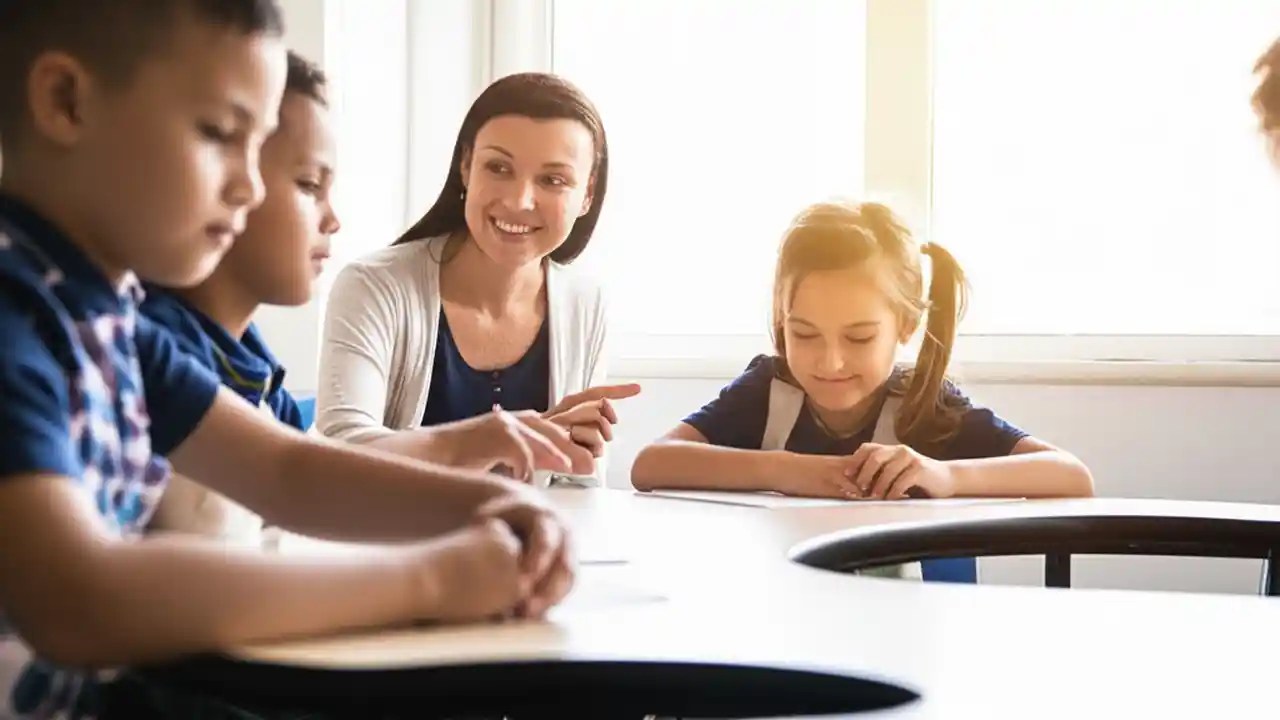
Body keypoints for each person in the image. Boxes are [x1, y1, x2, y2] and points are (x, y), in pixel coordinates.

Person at [0, 2, 577, 716]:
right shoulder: (15, 317)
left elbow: (285, 469)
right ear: (66, 101)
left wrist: (498, 500)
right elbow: (75, 600)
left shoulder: (108, 319)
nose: (248, 188)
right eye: (218, 134)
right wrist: (429, 581)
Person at [141, 51, 590, 545]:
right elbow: (300, 482)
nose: (333, 220)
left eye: (553, 179)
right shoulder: (143, 353)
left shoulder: (259, 376)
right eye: (310, 185)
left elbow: (299, 484)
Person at [632, 200, 1094, 502]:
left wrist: (947, 477)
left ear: (907, 325)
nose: (830, 362)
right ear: (781, 319)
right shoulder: (769, 391)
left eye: (858, 338)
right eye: (805, 334)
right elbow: (651, 464)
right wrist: (783, 470)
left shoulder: (925, 405)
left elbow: (1071, 476)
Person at [317, 72, 640, 486]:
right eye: (499, 167)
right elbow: (339, 455)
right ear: (467, 167)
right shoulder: (374, 287)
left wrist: (551, 453)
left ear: (588, 195)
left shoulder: (586, 303)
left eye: (553, 180)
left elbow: (577, 484)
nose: (519, 200)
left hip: (517, 545)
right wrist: (495, 443)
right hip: (393, 548)